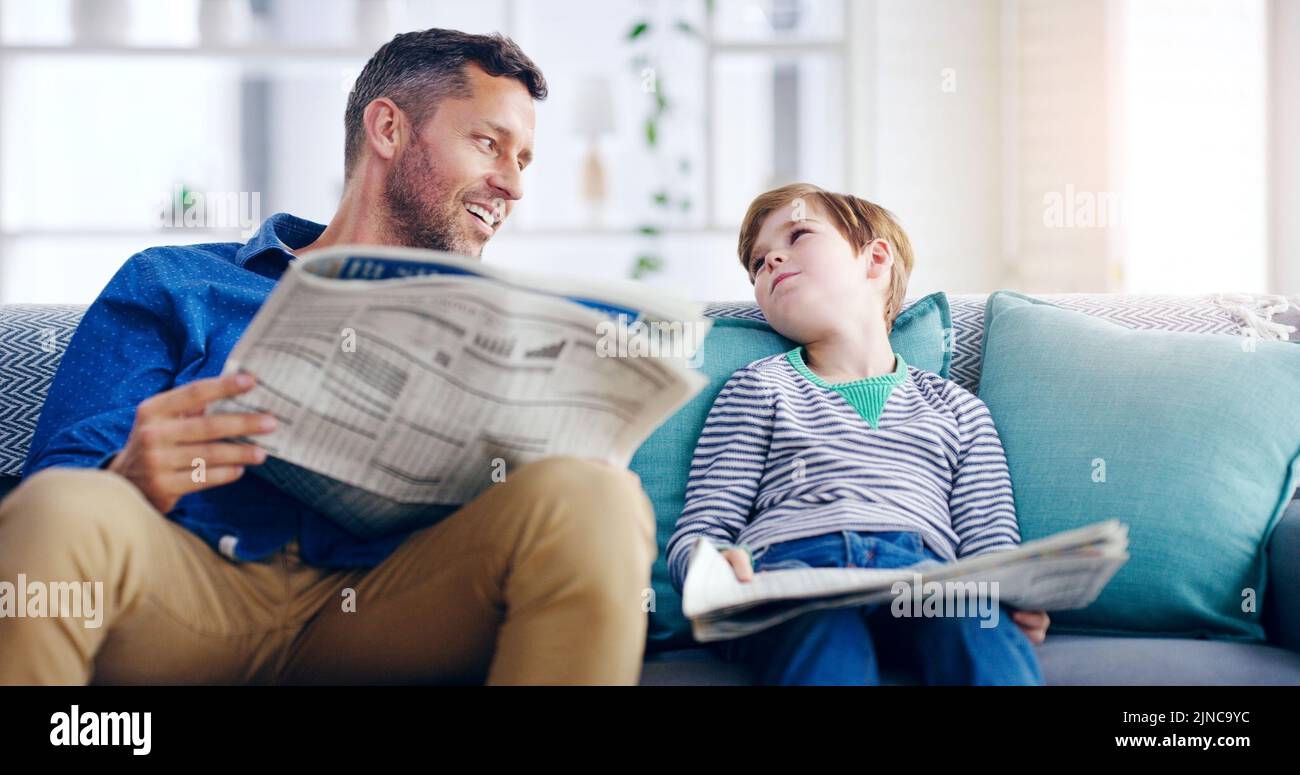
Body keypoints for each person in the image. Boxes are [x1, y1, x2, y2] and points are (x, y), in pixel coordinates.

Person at [0, 28, 657, 686]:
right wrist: (127, 474)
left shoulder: (507, 332)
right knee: (62, 506)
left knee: (597, 495)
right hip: (189, 591)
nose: (512, 185)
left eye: (525, 161)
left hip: (396, 601)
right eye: (489, 144)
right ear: (389, 129)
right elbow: (55, 481)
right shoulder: (177, 281)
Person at [665, 183, 1049, 685]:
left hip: (925, 579)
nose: (772, 260)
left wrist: (1015, 596)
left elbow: (991, 544)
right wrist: (712, 564)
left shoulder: (960, 410)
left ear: (875, 260)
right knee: (826, 639)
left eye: (798, 234)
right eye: (757, 264)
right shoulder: (758, 387)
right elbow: (705, 523)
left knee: (978, 626)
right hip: (794, 575)